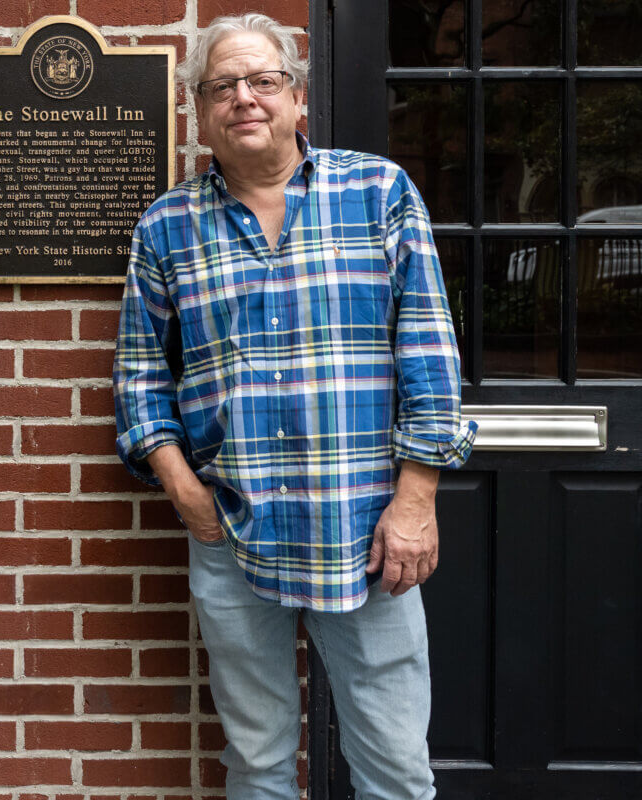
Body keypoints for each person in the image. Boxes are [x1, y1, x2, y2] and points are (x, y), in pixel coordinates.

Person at [112, 13, 477, 800]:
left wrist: (416, 500)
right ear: (199, 111)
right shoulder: (167, 227)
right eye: (221, 87)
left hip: (367, 533)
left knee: (394, 769)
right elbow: (140, 377)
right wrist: (184, 491)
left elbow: (430, 356)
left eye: (263, 81)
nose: (244, 98)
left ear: (298, 98)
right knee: (259, 764)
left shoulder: (379, 191)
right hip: (233, 534)